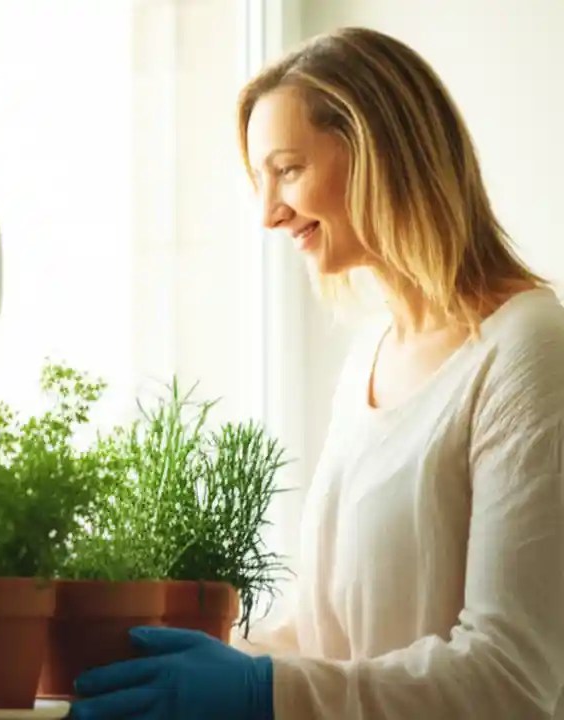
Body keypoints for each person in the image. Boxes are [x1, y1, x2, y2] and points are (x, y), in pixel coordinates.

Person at [66, 25, 564, 720]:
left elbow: (513, 679)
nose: (268, 213)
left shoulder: (527, 347)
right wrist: (217, 660)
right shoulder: (370, 355)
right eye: (260, 179)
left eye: (288, 169)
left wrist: (261, 692)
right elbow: (331, 638)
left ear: (379, 152)